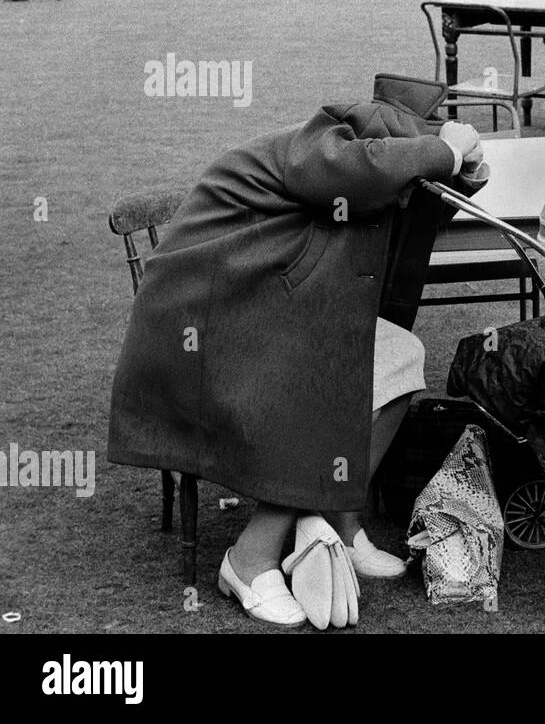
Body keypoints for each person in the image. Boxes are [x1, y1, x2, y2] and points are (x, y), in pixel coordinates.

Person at [109, 90, 490, 627]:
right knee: (321, 384)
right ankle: (248, 561)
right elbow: (369, 172)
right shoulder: (317, 150)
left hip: (256, 306)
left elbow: (411, 190)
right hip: (198, 327)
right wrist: (445, 151)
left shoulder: (353, 168)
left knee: (400, 355)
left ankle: (338, 516)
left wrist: (459, 165)